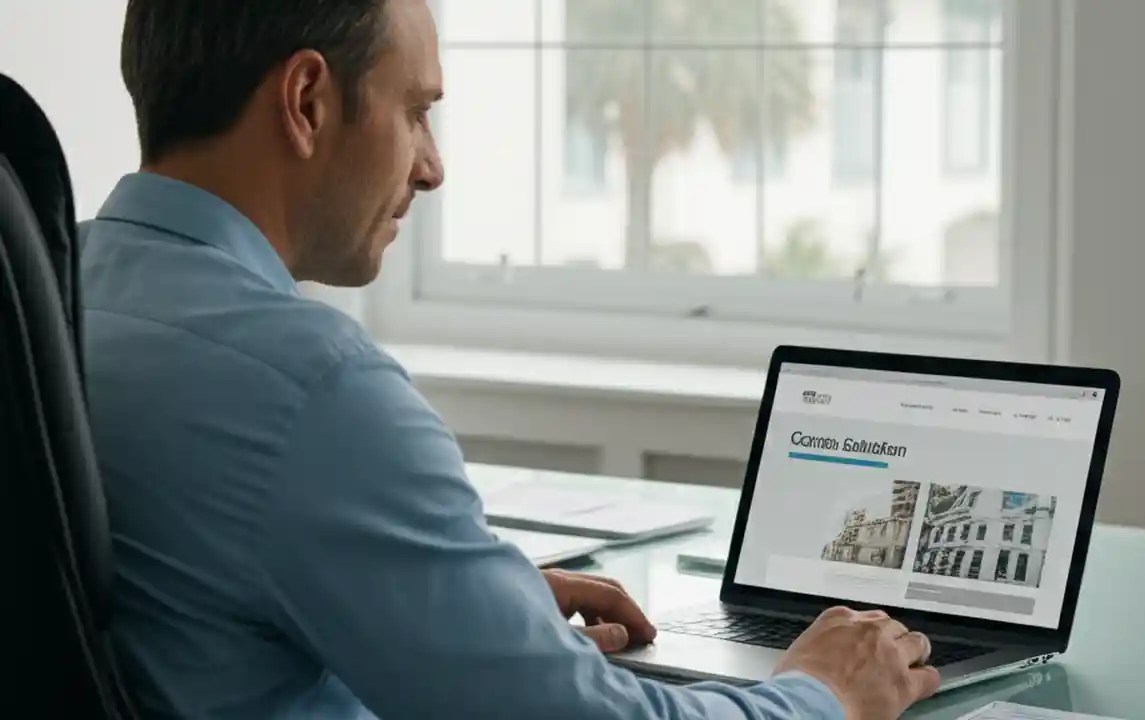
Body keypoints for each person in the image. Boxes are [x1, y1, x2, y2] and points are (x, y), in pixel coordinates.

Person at [81, 1, 941, 718]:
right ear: (306, 101)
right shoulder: (315, 389)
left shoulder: (53, 292)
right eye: (415, 112)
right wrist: (824, 695)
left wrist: (459, 603)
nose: (432, 168)